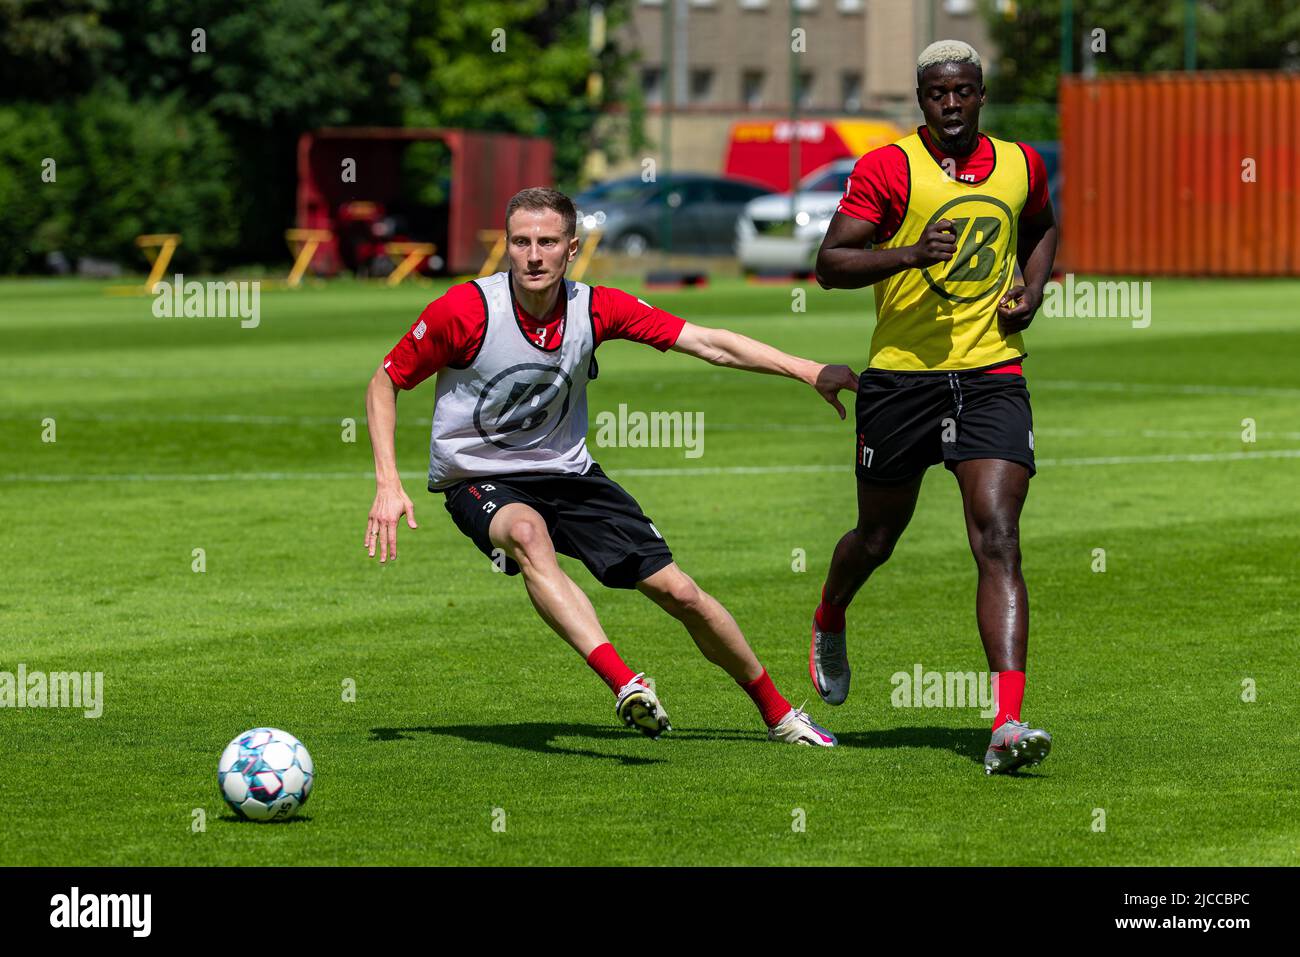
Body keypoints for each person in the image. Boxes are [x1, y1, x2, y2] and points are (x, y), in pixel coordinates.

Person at [364, 186, 858, 746]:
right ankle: (626, 684)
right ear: (507, 245)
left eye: (547, 242)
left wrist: (808, 369)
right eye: (520, 242)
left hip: (569, 474)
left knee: (681, 594)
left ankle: (779, 714)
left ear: (571, 248)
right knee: (526, 534)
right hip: (477, 477)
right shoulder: (464, 310)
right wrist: (388, 482)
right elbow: (385, 381)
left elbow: (709, 344)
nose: (532, 255)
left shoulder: (595, 307)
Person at [810, 40, 1059, 774]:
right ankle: (830, 613)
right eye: (936, 94)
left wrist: (1034, 288)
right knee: (878, 536)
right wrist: (908, 253)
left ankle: (1006, 723)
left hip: (991, 374)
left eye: (963, 91)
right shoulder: (888, 167)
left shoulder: (1020, 164)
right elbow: (830, 264)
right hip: (902, 380)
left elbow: (1043, 225)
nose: (950, 104)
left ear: (983, 93)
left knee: (997, 535)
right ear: (922, 99)